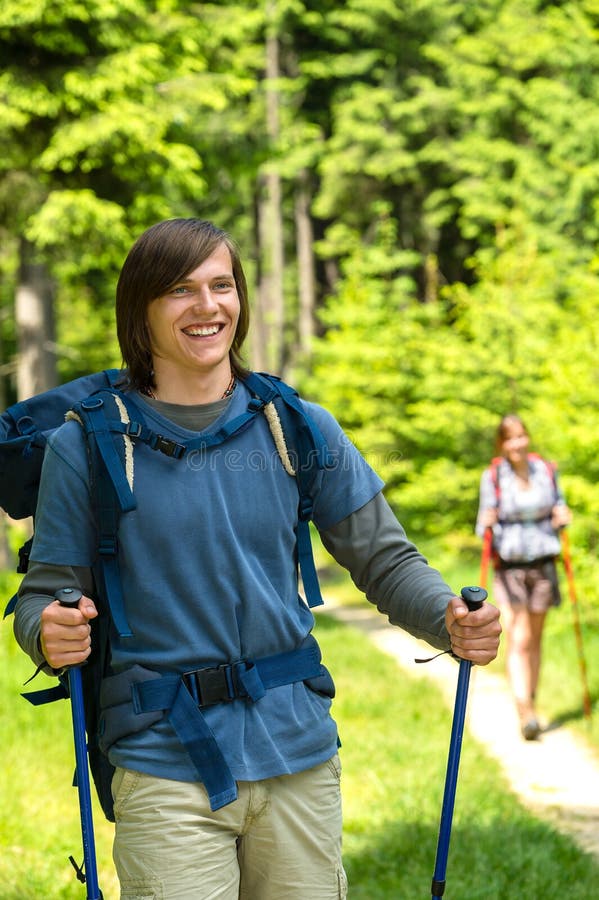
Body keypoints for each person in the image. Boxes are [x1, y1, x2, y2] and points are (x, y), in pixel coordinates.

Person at [14, 217, 500, 900]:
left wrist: (448, 618)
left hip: (297, 750)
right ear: (141, 309)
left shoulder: (295, 425)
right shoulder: (86, 446)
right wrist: (47, 629)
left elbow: (386, 561)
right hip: (163, 760)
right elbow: (45, 594)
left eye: (222, 285)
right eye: (180, 289)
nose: (207, 305)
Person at [476, 413, 570, 741]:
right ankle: (523, 710)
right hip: (510, 565)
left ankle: (531, 700)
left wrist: (562, 517)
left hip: (544, 561)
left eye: (521, 436)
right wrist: (487, 522)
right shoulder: (493, 477)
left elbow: (559, 507)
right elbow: (481, 527)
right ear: (501, 444)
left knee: (536, 638)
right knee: (519, 635)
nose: (516, 443)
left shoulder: (546, 470)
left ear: (527, 438)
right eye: (509, 438)